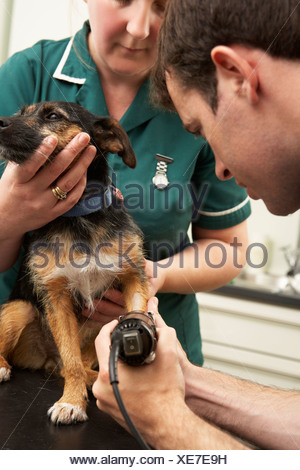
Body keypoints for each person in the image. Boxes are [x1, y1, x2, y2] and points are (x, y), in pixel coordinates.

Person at [92, 0, 300, 450]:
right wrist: (187, 384)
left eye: (201, 130)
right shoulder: (26, 73)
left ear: (237, 77)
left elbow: (228, 246)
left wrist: (165, 420)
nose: (220, 169)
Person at [0, 0, 250, 366]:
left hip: (151, 353)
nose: (139, 27)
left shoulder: (205, 92)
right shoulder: (28, 73)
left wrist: (153, 276)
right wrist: (10, 216)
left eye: (163, 7)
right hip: (31, 350)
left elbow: (230, 248)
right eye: (123, 0)